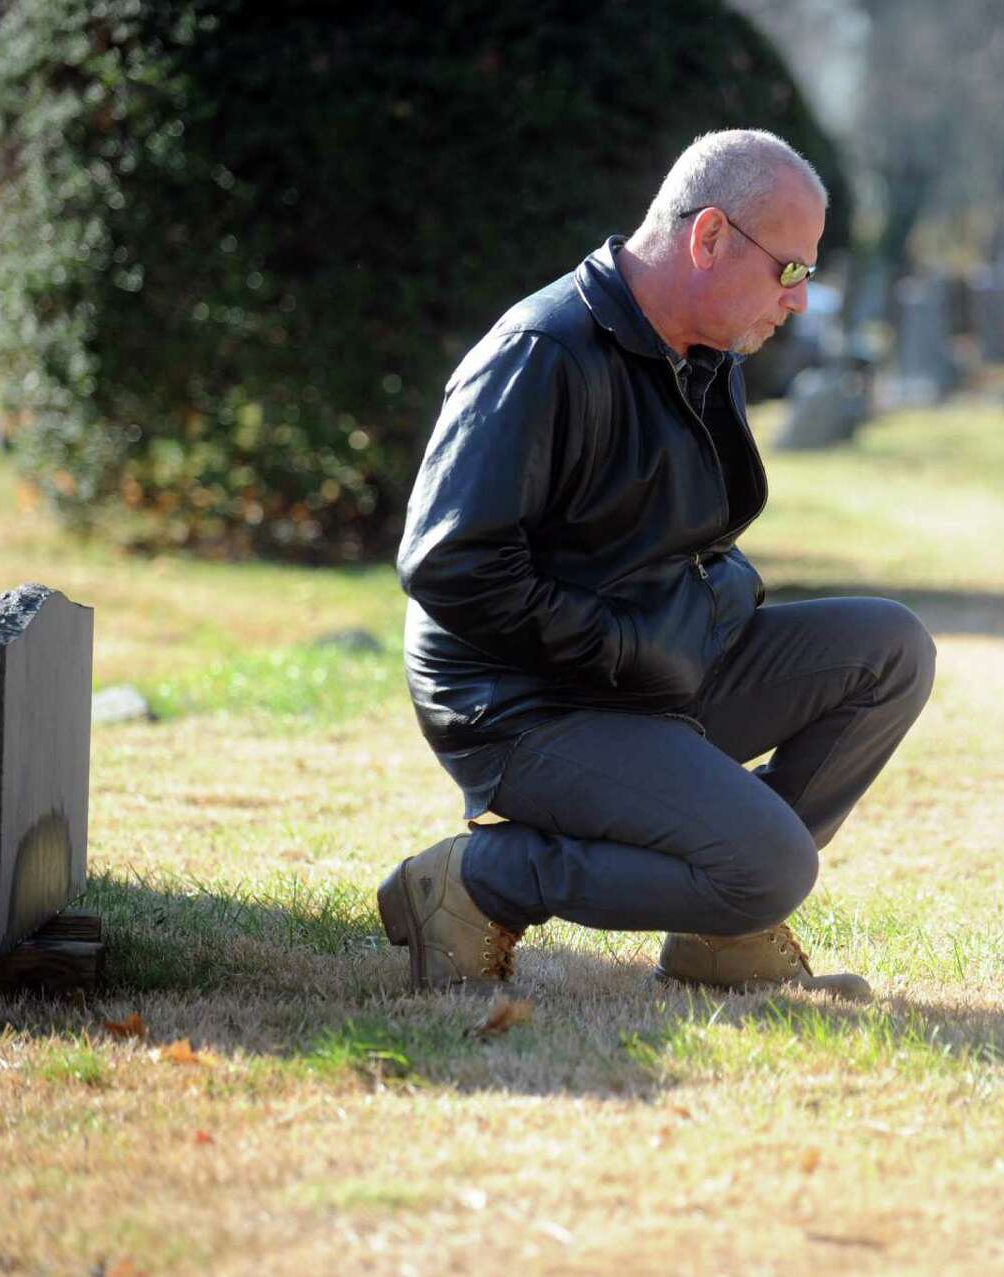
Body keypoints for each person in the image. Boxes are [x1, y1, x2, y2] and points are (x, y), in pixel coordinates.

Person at [378, 130, 935, 1001]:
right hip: (524, 705)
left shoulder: (705, 349)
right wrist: (629, 649)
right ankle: (483, 876)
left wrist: (702, 612)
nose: (798, 300)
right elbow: (451, 565)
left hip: (647, 668)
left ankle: (719, 933)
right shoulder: (541, 352)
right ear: (709, 237)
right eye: (790, 270)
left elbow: (690, 537)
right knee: (771, 866)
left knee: (889, 648)